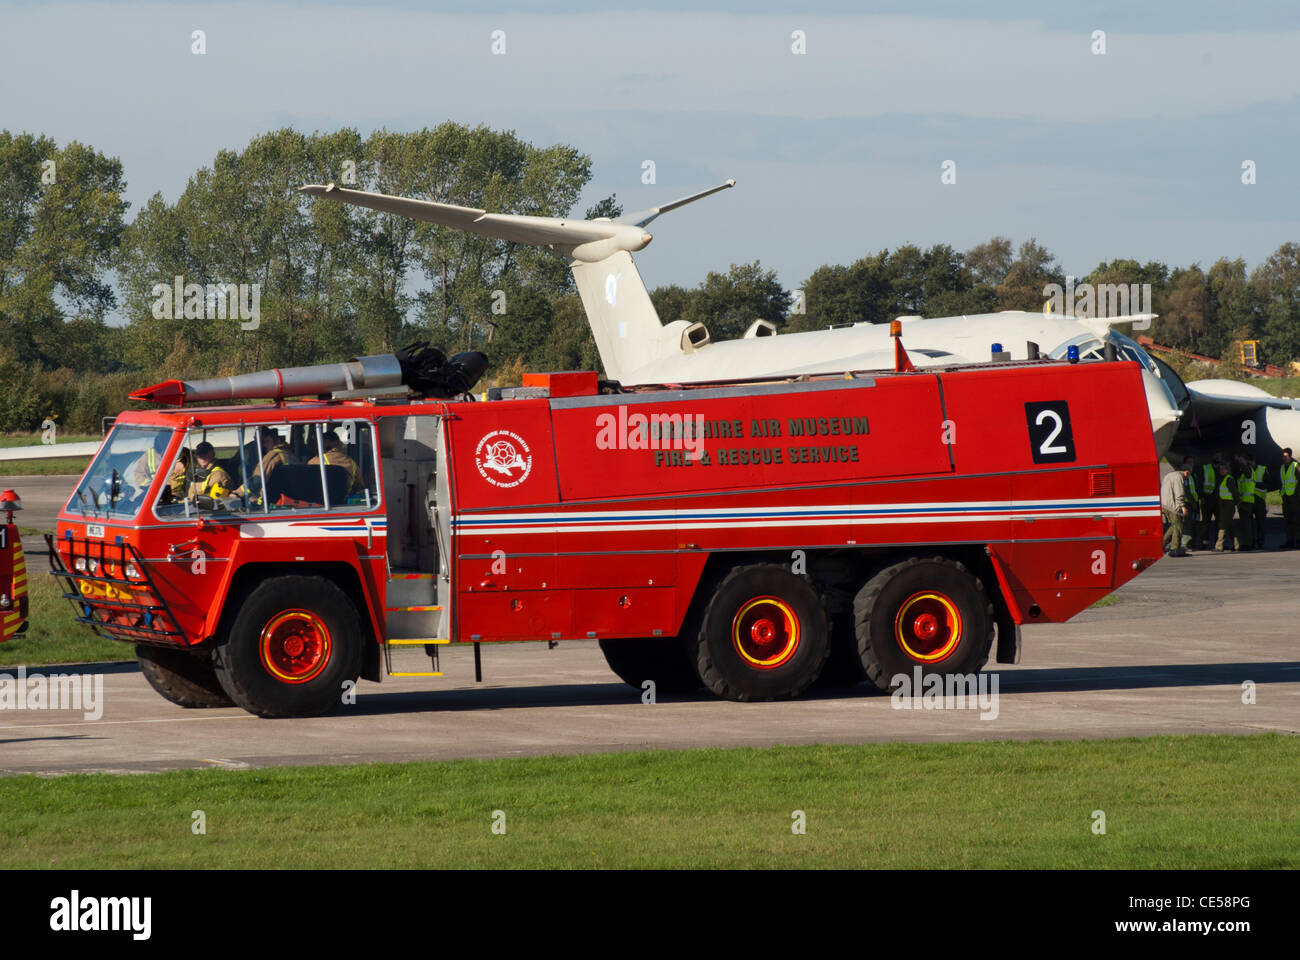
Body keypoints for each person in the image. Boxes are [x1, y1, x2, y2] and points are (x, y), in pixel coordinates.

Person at [235, 429, 298, 500]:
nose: (264, 445)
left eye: (267, 441)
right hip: (291, 496)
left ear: (276, 441)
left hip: (276, 499)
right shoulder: (289, 453)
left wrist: (237, 493)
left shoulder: (273, 455)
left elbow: (258, 478)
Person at [308, 430, 363, 494]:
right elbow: (360, 486)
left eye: (318, 442)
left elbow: (309, 485)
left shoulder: (314, 461)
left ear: (326, 442)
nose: (316, 445)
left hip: (322, 499)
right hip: (345, 499)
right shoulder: (352, 462)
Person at [1161, 460, 1189, 557]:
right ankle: (1174, 548)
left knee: (1173, 525)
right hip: (1172, 506)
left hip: (1164, 504)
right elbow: (1179, 493)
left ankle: (1161, 544)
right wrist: (1182, 506)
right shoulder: (1179, 477)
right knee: (1178, 526)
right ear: (1186, 472)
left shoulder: (1169, 475)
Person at [1214, 460, 1239, 552]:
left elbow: (1235, 493)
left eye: (1223, 469)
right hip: (1224, 504)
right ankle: (1236, 545)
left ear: (1227, 470)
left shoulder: (1229, 479)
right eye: (1220, 469)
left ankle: (1219, 546)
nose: (1221, 471)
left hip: (1228, 504)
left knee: (1223, 525)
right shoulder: (1222, 478)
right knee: (1229, 525)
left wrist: (1236, 503)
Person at [1236, 455, 1257, 550]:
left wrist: (1242, 462)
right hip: (1244, 501)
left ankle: (1247, 543)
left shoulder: (1248, 470)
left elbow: (1247, 472)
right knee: (1245, 524)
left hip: (1247, 501)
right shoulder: (1244, 473)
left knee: (1246, 524)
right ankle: (1248, 542)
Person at [1281, 447, 1300, 548]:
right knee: (1287, 520)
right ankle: (1289, 540)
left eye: (1286, 456)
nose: (1284, 458)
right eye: (1283, 456)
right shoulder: (1282, 467)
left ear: (1290, 456)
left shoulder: (1295, 466)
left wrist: (1297, 493)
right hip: (1286, 497)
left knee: (1296, 519)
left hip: (1294, 497)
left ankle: (1298, 540)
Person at [1198, 457, 1219, 550]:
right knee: (1206, 522)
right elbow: (1199, 483)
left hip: (1218, 499)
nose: (1218, 457)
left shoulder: (1223, 468)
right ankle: (1204, 542)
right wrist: (1201, 496)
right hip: (1207, 499)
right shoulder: (1206, 468)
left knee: (1219, 522)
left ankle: (1218, 543)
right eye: (1217, 455)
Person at [1250, 453, 1269, 549]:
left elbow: (1267, 483)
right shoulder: (1245, 470)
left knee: (1260, 522)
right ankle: (1252, 541)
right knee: (1249, 523)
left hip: (1259, 499)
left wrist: (1255, 484)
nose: (1250, 463)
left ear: (1254, 461)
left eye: (1251, 461)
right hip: (1249, 498)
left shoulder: (1262, 469)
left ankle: (1260, 541)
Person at [1179, 457, 1198, 552]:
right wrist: (1193, 503)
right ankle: (1184, 544)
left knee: (1188, 524)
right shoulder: (1185, 478)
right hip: (1187, 503)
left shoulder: (1191, 477)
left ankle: (1185, 543)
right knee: (1187, 524)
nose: (1191, 465)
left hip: (1189, 503)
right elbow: (1187, 492)